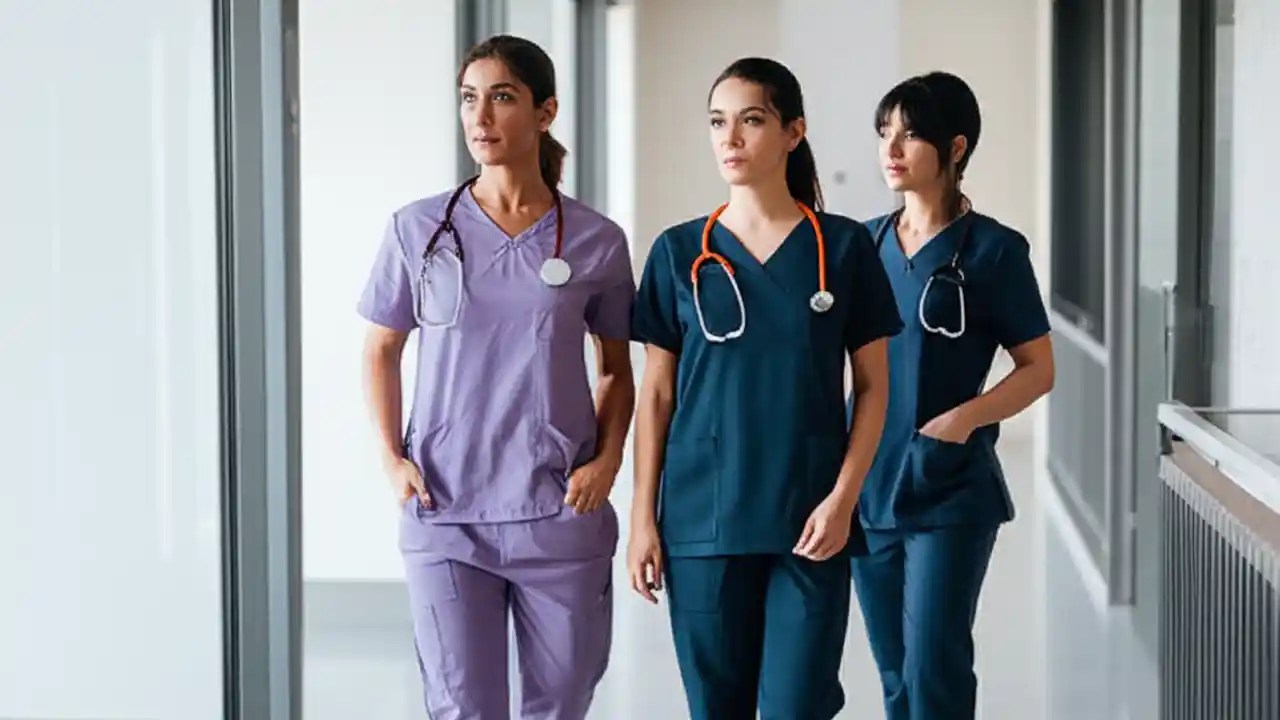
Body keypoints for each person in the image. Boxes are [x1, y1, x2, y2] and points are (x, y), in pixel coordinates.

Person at [358, 35, 635, 719]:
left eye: (502, 97)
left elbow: (618, 371)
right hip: (446, 511)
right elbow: (380, 348)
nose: (480, 116)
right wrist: (392, 459)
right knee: (462, 706)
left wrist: (608, 459)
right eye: (469, 98)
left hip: (557, 513)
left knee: (564, 699)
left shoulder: (596, 241)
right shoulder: (417, 229)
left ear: (545, 112)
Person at [627, 57, 902, 720]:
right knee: (716, 706)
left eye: (751, 120)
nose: (731, 138)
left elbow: (872, 389)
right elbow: (656, 396)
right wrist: (640, 520)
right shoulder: (676, 252)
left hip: (809, 517)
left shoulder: (842, 248)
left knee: (799, 703)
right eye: (719, 122)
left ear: (792, 132)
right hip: (702, 519)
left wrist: (844, 499)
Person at [849, 71, 1056, 720]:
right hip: (869, 484)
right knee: (894, 675)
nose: (891, 148)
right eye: (885, 133)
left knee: (934, 664)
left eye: (910, 135)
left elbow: (1036, 368)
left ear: (956, 148)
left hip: (950, 484)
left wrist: (963, 420)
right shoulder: (864, 246)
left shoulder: (994, 252)